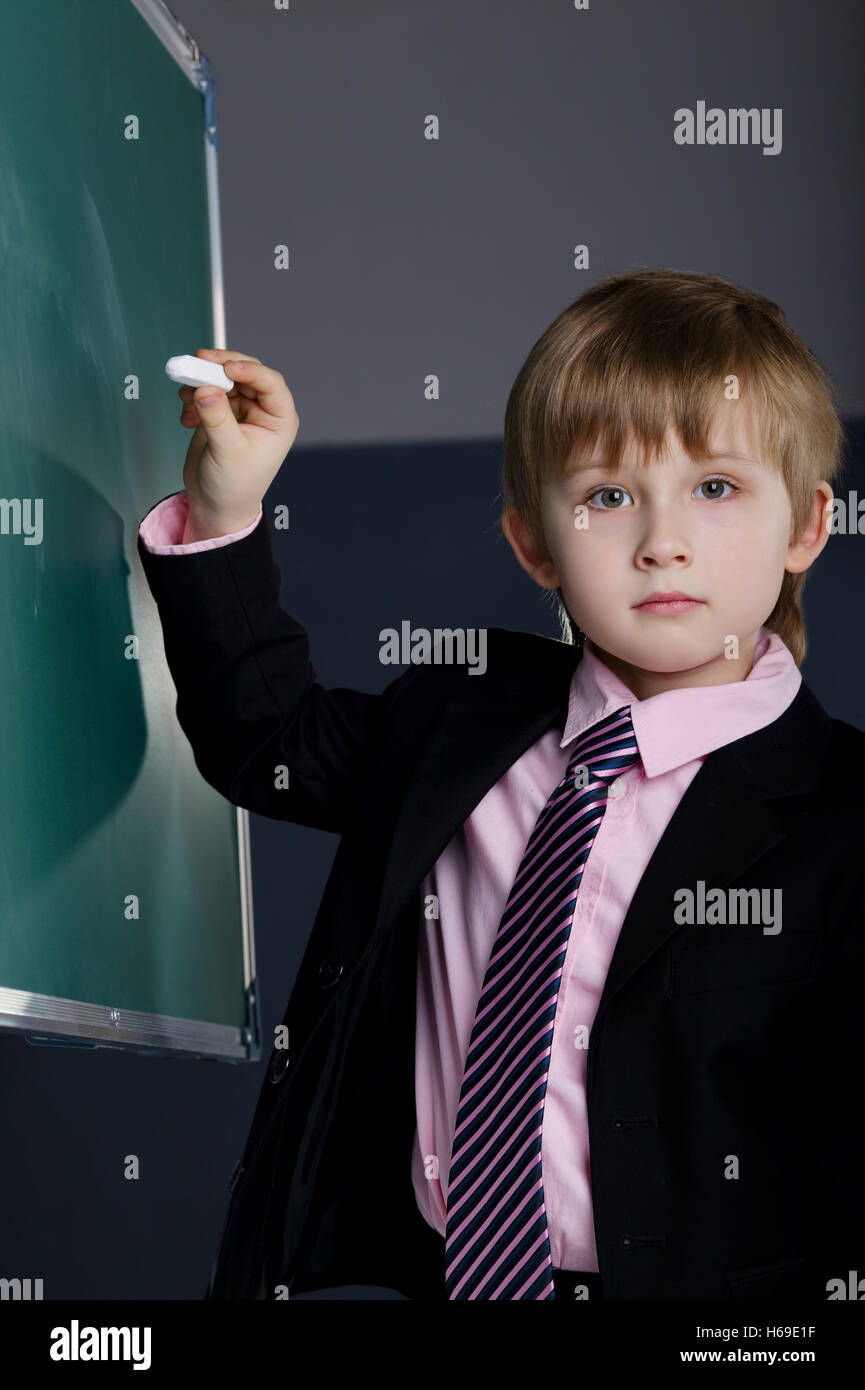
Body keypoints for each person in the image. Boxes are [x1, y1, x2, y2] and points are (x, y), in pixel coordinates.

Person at [137, 268, 864, 1301]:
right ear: (533, 544)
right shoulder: (459, 716)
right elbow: (268, 735)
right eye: (607, 496)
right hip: (448, 1278)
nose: (662, 541)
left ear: (804, 525)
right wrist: (227, 507)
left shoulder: (842, 809)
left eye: (715, 487)